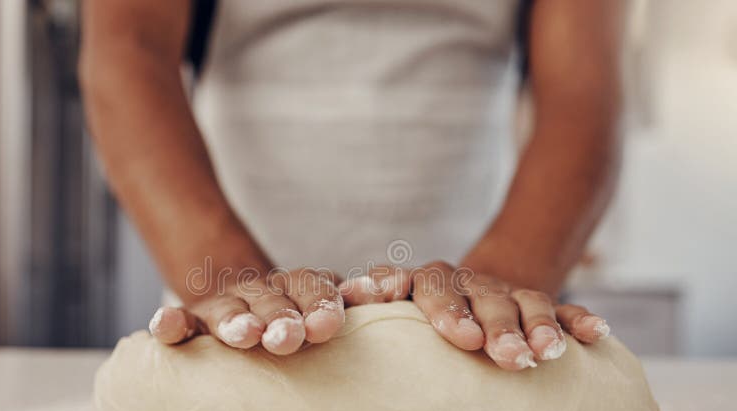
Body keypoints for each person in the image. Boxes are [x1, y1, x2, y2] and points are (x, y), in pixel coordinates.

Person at [80, 0, 624, 371]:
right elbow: (129, 50)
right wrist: (233, 284)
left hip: (479, 285)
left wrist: (498, 288)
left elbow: (581, 91)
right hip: (225, 285)